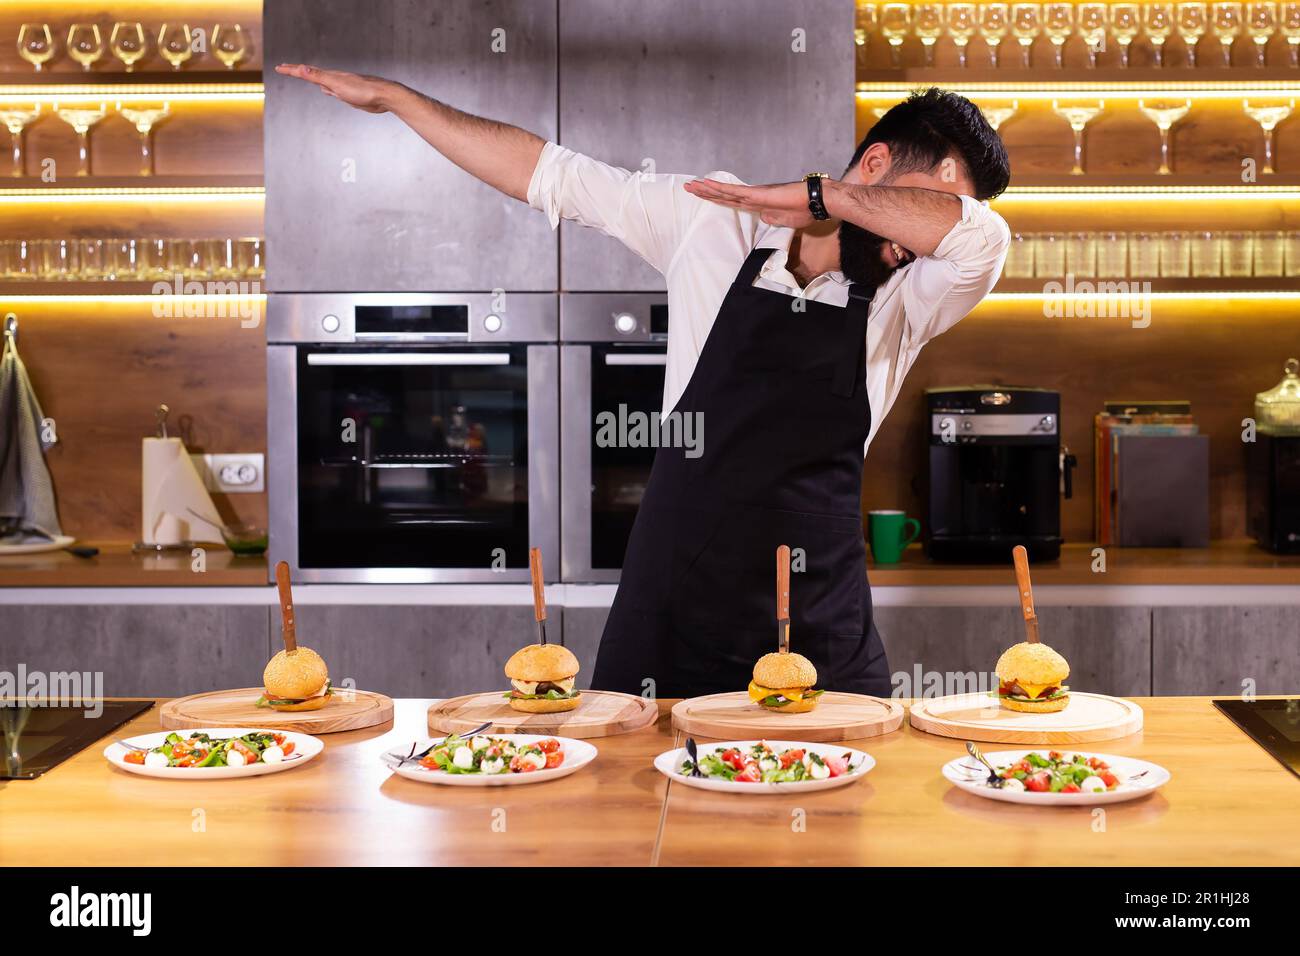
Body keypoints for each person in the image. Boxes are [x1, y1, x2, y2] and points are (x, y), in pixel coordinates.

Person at [278, 65, 1011, 699]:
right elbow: (548, 172)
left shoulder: (911, 295)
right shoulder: (713, 220)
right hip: (675, 611)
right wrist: (401, 100)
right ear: (876, 161)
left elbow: (982, 236)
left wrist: (829, 198)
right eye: (919, 203)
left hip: (820, 622)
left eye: (933, 218)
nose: (917, 238)